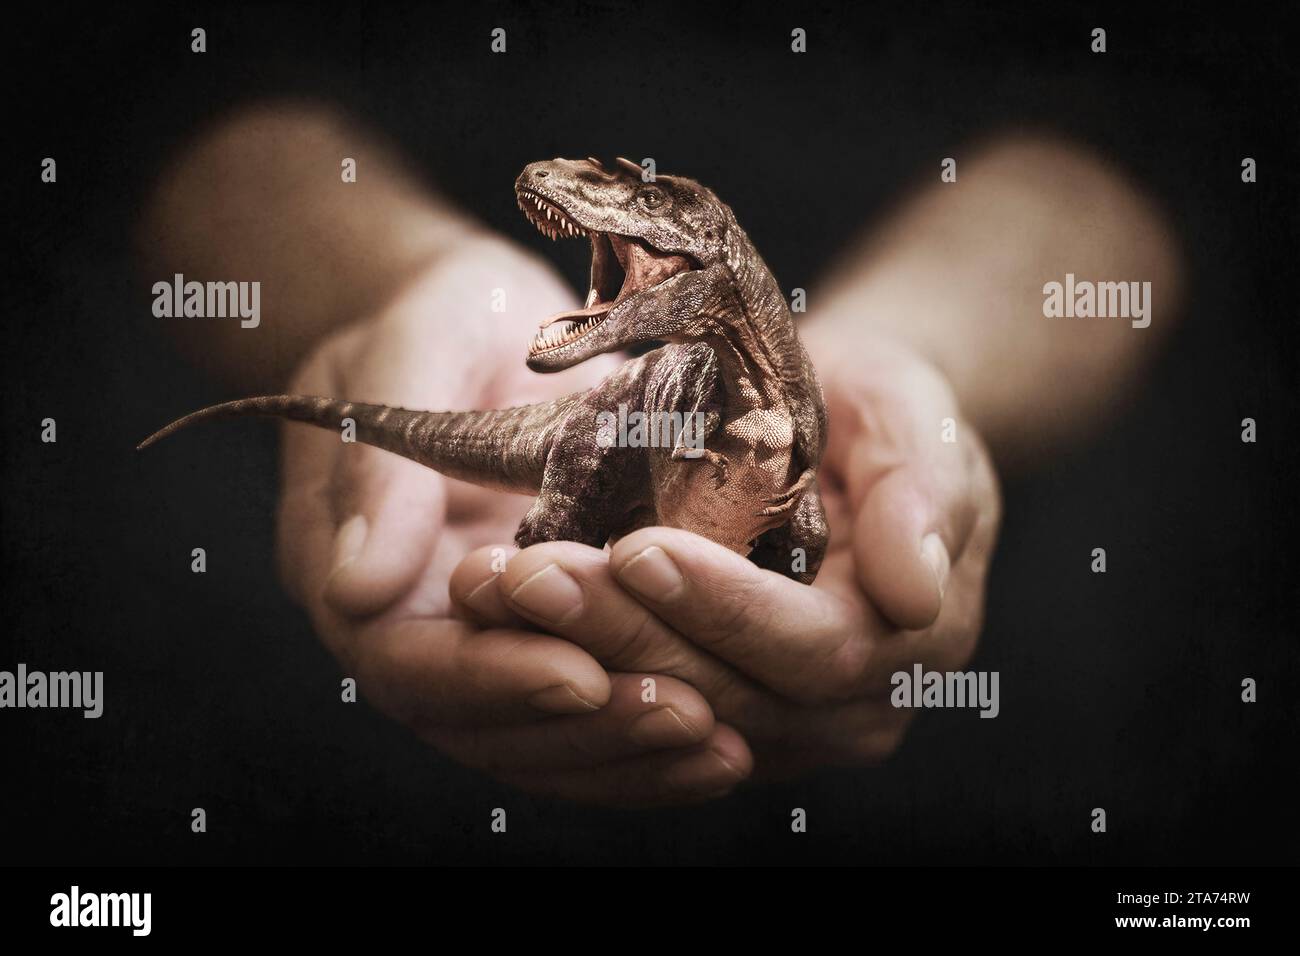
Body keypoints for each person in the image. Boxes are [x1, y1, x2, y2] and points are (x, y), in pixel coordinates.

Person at [140, 102, 1182, 806]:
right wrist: (392, 282)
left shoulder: (787, 413)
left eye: (637, 204)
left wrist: (922, 353)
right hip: (297, 770)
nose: (595, 200)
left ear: (708, 254)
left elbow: (1140, 145)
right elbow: (167, 113)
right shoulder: (665, 367)